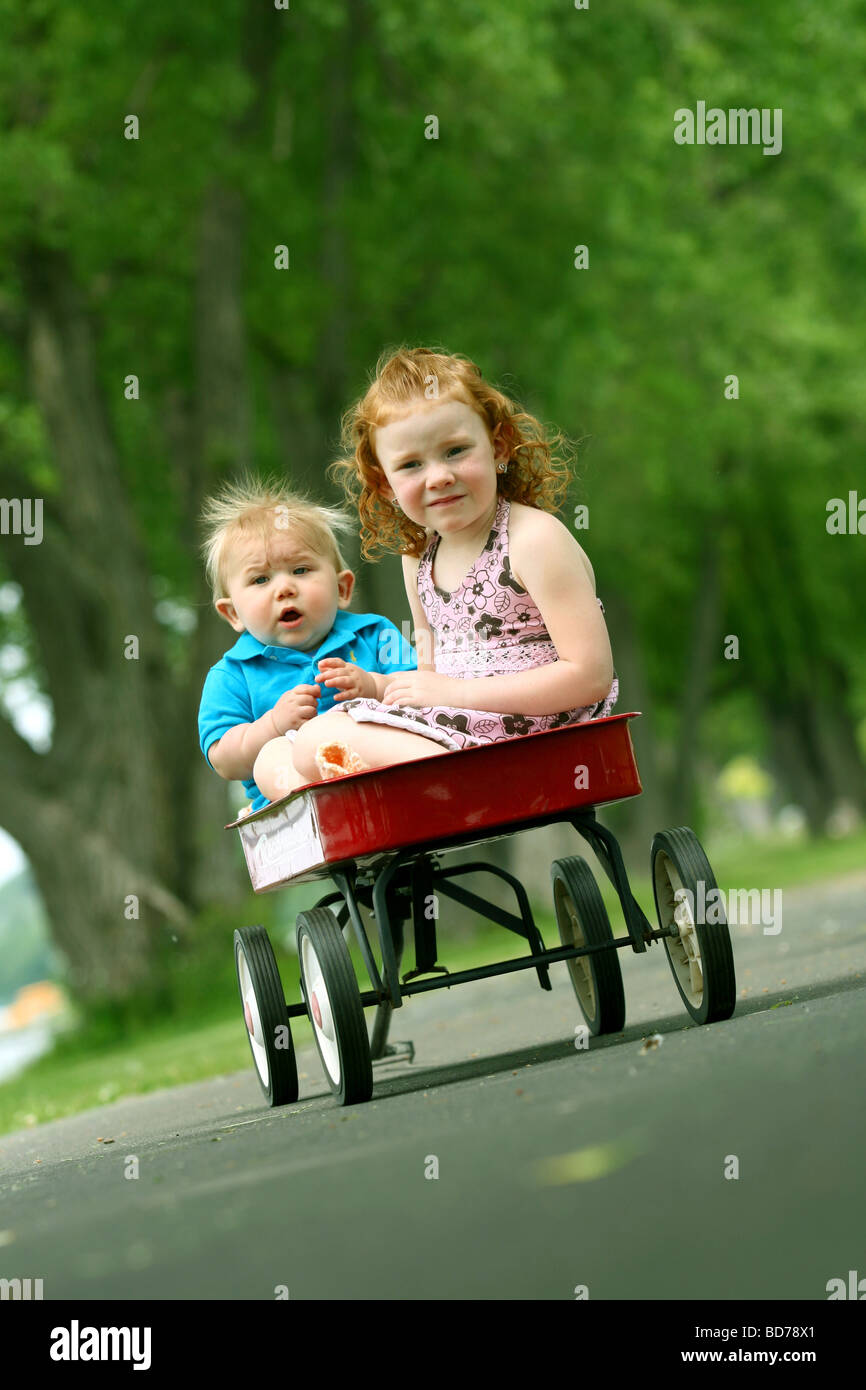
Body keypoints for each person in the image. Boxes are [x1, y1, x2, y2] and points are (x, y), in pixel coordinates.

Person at [253, 347, 619, 800]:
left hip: (528, 736)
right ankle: (364, 796)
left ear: (498, 447)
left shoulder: (533, 539)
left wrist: (456, 694)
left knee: (315, 743)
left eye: (456, 451)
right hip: (455, 725)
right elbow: (432, 675)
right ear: (385, 483)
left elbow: (590, 676)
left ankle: (451, 784)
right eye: (411, 465)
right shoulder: (419, 556)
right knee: (271, 758)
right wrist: (378, 685)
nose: (439, 476)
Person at [197, 477, 417, 813]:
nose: (284, 588)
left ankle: (362, 779)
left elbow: (424, 697)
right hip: (295, 805)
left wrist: (374, 686)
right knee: (271, 757)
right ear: (232, 613)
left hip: (382, 767)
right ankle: (321, 797)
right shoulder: (233, 674)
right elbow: (225, 760)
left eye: (301, 570)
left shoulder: (375, 635)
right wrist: (272, 725)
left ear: (342, 589)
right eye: (260, 579)